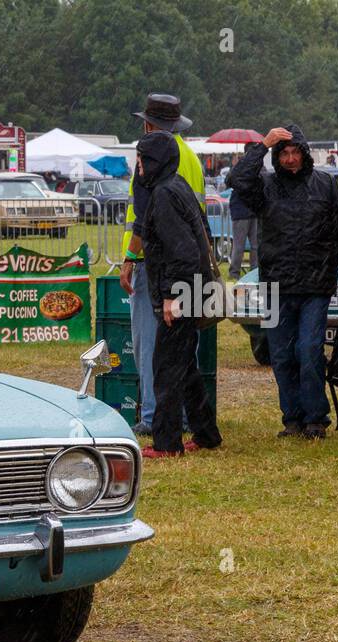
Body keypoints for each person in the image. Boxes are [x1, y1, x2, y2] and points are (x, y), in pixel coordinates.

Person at [228, 125, 338, 439]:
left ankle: (316, 418)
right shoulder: (265, 187)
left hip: (316, 285)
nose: (289, 159)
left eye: (294, 152)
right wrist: (263, 145)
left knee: (309, 350)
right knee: (281, 355)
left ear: (304, 153)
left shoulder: (326, 185)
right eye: (284, 153)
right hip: (276, 285)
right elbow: (236, 180)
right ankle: (292, 418)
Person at [118, 93, 205, 437]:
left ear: (148, 125)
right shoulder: (190, 158)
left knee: (151, 343)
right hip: (188, 266)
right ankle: (184, 415)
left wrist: (130, 258)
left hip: (155, 264)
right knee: (182, 346)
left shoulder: (152, 155)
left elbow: (144, 218)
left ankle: (156, 415)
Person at [133, 132, 223, 459]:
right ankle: (206, 433)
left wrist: (172, 296)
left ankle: (166, 443)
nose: (138, 166)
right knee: (185, 367)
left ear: (154, 161)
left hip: (181, 292)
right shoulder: (178, 186)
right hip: (193, 287)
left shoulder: (164, 194)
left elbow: (181, 250)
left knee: (167, 368)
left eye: (142, 159)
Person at [227, 156, 257, 280]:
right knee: (255, 245)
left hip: (241, 211)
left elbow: (228, 181)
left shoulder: (238, 171)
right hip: (254, 210)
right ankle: (255, 271)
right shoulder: (257, 168)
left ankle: (234, 273)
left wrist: (235, 167)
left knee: (239, 245)